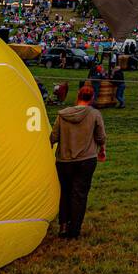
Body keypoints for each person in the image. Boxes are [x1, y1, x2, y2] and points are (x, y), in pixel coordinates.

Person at [49, 85, 107, 239]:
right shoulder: (95, 114)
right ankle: (74, 230)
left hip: (64, 160)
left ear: (78, 96)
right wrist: (102, 150)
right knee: (79, 195)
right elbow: (101, 137)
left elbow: (53, 136)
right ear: (92, 98)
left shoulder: (62, 115)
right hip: (86, 160)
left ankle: (63, 225)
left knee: (65, 192)